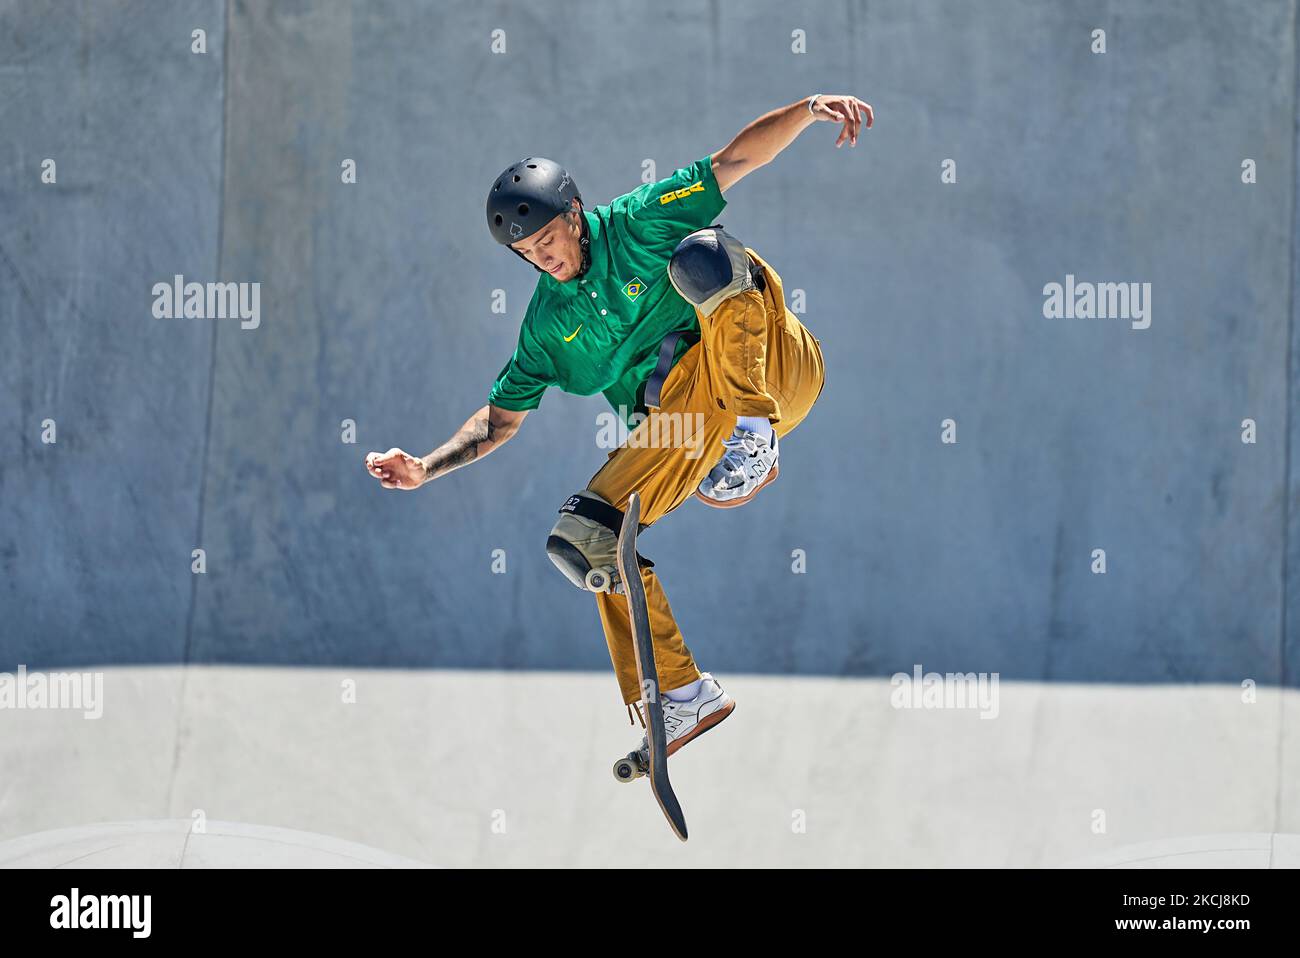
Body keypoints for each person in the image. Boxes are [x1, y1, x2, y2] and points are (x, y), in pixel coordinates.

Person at [367, 93, 872, 767]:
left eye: (549, 241)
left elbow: (737, 158)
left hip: (775, 368)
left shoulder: (638, 222)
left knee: (704, 256)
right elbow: (499, 419)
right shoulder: (548, 327)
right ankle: (681, 691)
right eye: (528, 254)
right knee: (586, 542)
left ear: (575, 216)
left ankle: (752, 433)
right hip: (690, 428)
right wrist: (427, 466)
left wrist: (809, 110)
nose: (544, 260)